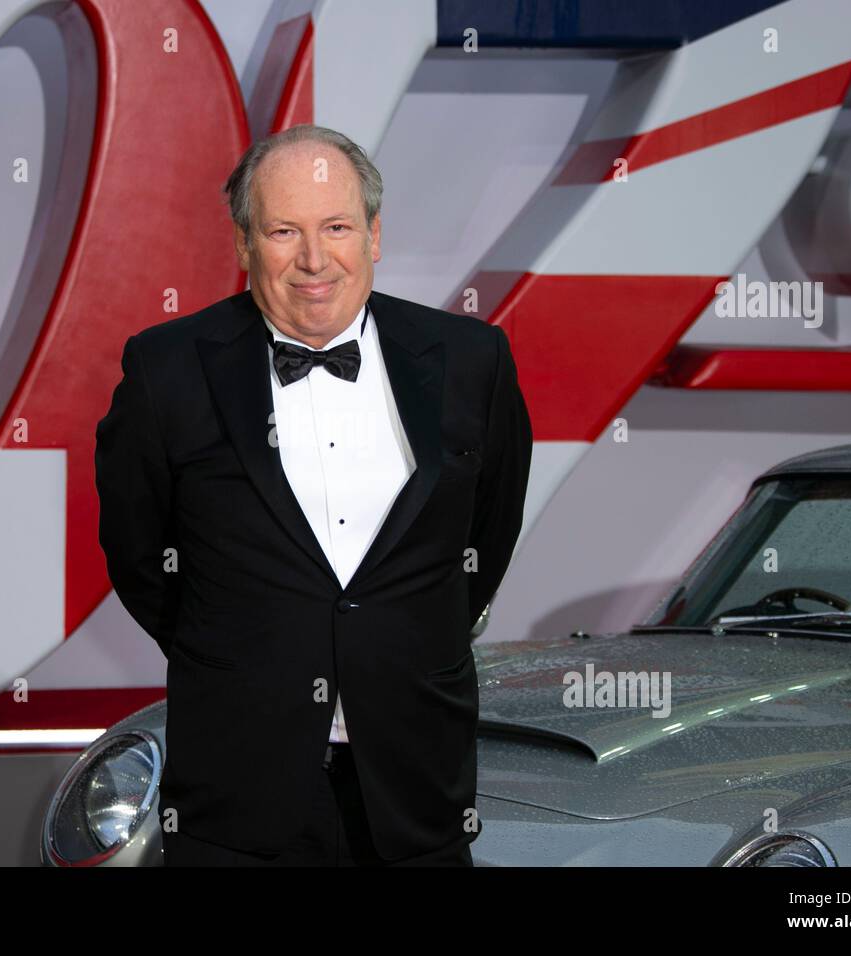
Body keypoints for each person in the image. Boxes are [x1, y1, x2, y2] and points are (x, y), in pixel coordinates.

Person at [94, 124, 531, 866]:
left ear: (375, 234)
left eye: (336, 227)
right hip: (238, 793)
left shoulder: (471, 360)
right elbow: (141, 558)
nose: (313, 260)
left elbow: (483, 542)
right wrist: (244, 652)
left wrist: (396, 642)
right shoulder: (166, 371)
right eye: (282, 231)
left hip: (418, 789)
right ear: (242, 245)